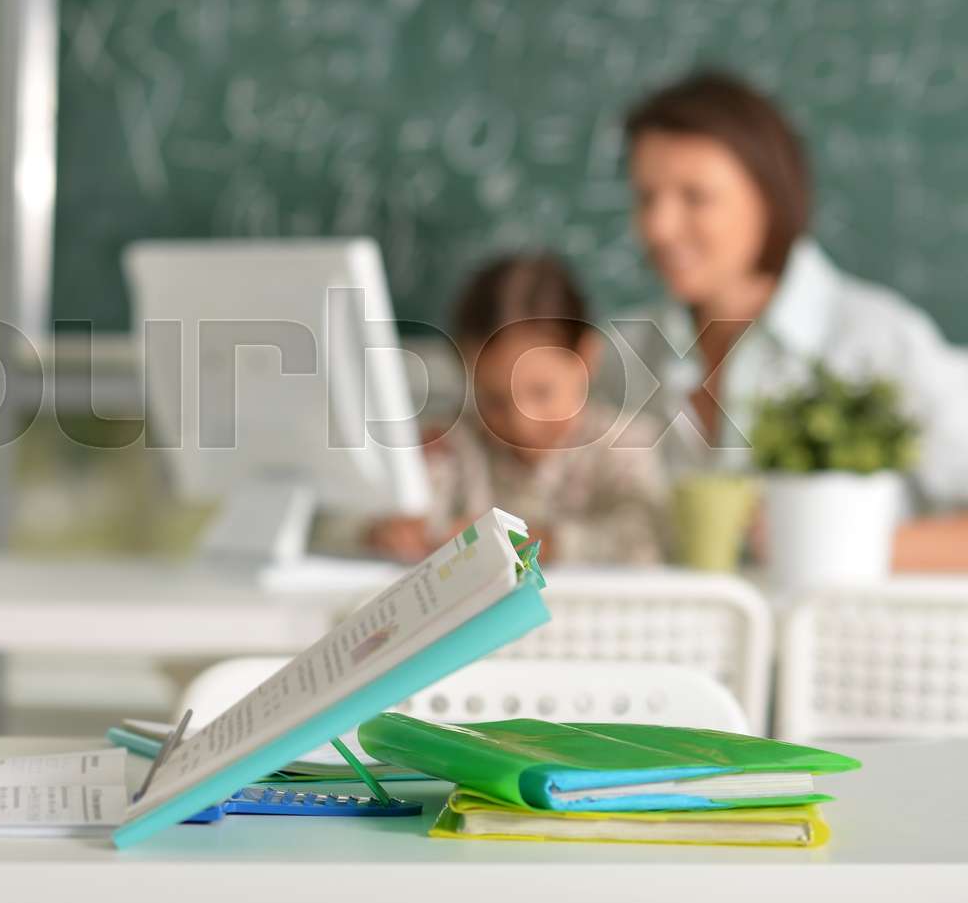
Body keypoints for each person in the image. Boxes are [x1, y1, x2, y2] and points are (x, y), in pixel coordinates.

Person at [612, 69, 968, 569]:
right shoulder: (621, 353)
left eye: (696, 197)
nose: (659, 227)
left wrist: (838, 545)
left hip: (838, 642)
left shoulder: (879, 341)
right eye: (646, 198)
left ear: (769, 196)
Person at [368, 254, 668, 567]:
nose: (520, 423)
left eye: (542, 392)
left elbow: (647, 540)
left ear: (587, 357)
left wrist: (531, 543)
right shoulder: (452, 444)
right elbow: (346, 523)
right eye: (494, 400)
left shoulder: (627, 444)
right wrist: (388, 531)